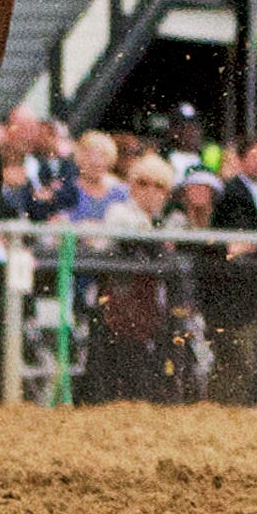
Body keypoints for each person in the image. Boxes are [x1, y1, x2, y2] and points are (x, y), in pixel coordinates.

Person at [82, 151, 178, 403]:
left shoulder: (165, 221)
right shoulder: (119, 212)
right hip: (115, 302)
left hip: (148, 304)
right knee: (111, 361)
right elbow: (138, 238)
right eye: (142, 183)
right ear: (131, 185)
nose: (150, 191)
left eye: (159, 186)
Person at [202, 135, 257, 405]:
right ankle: (223, 410)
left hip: (247, 291)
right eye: (256, 159)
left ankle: (223, 410)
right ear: (241, 160)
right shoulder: (236, 193)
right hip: (232, 293)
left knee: (237, 360)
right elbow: (240, 240)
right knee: (238, 359)